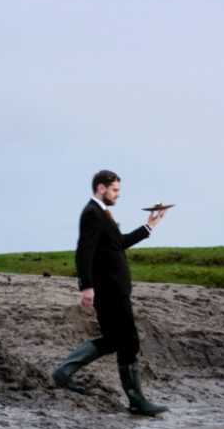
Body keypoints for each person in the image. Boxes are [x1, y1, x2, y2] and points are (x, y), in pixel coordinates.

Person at [50, 169, 169, 416]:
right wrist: (87, 286)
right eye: (114, 190)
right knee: (129, 341)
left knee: (114, 340)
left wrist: (149, 226)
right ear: (101, 188)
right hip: (109, 290)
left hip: (115, 289)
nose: (117, 194)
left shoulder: (102, 213)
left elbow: (119, 244)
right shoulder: (92, 213)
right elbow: (83, 252)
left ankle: (64, 372)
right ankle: (137, 401)